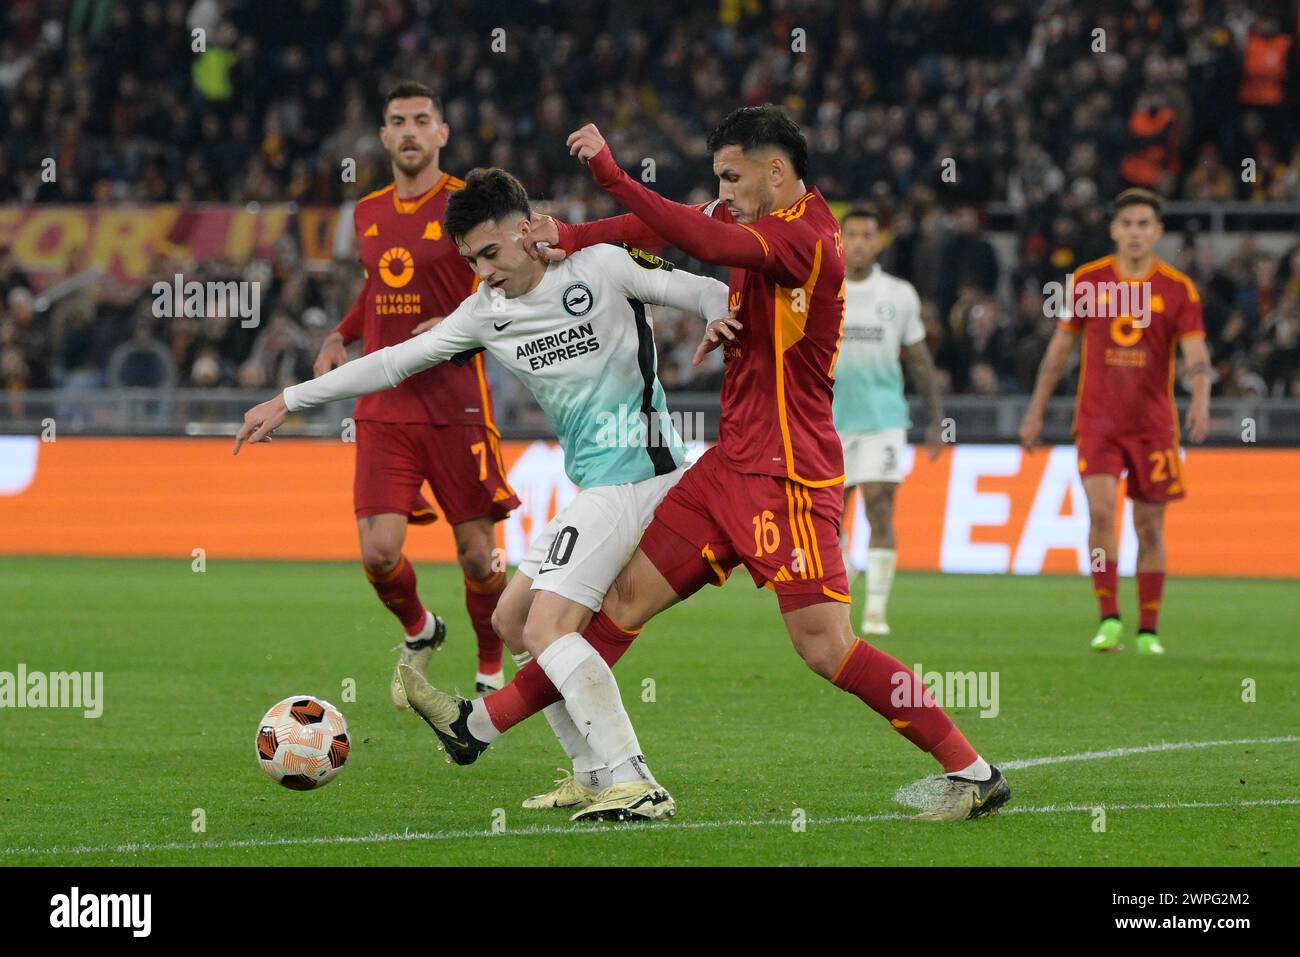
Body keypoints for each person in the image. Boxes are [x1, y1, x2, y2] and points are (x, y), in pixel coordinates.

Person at [395, 106, 1011, 823]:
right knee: (621, 602)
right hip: (725, 468)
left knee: (825, 647)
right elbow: (664, 226)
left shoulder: (807, 239)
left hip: (787, 474)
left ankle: (973, 772)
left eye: (731, 174)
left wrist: (613, 177)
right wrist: (573, 236)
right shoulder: (751, 212)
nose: (721, 188)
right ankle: (482, 728)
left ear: (774, 169)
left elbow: (699, 236)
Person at [235, 167, 732, 823]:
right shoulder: (485, 312)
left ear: (529, 230)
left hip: (647, 472)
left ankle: (635, 779)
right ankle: (591, 772)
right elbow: (389, 363)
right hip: (600, 484)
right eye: (472, 260)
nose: (485, 270)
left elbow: (700, 287)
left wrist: (722, 315)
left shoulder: (601, 266)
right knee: (509, 620)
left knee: (548, 625)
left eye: (491, 253)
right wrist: (288, 399)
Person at [311, 82, 520, 698]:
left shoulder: (467, 205)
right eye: (398, 121)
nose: (409, 130)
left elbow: (504, 285)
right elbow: (376, 289)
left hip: (456, 402)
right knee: (378, 552)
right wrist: (340, 335)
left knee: (479, 558)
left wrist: (458, 325)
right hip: (385, 402)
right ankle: (422, 628)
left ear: (441, 133)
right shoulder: (367, 211)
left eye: (421, 119)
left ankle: (488, 668)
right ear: (382, 136)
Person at [1019, 188, 1211, 655]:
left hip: (1154, 426)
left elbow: (1197, 356)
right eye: (1128, 224)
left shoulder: (1177, 289)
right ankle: (1108, 618)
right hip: (1098, 422)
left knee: (1149, 526)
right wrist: (1036, 410)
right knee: (1102, 513)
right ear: (1114, 230)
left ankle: (1149, 629)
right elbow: (1060, 351)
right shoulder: (1088, 282)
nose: (1136, 233)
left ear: (1158, 231)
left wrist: (1201, 400)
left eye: (1145, 224)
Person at [832, 206, 944, 635]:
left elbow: (918, 359)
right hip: (830, 420)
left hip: (883, 417)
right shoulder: (823, 288)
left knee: (880, 505)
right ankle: (844, 577)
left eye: (867, 235)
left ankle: (876, 611)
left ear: (879, 242)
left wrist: (936, 419)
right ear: (841, 240)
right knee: (828, 518)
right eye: (852, 234)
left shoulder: (899, 295)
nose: (859, 242)